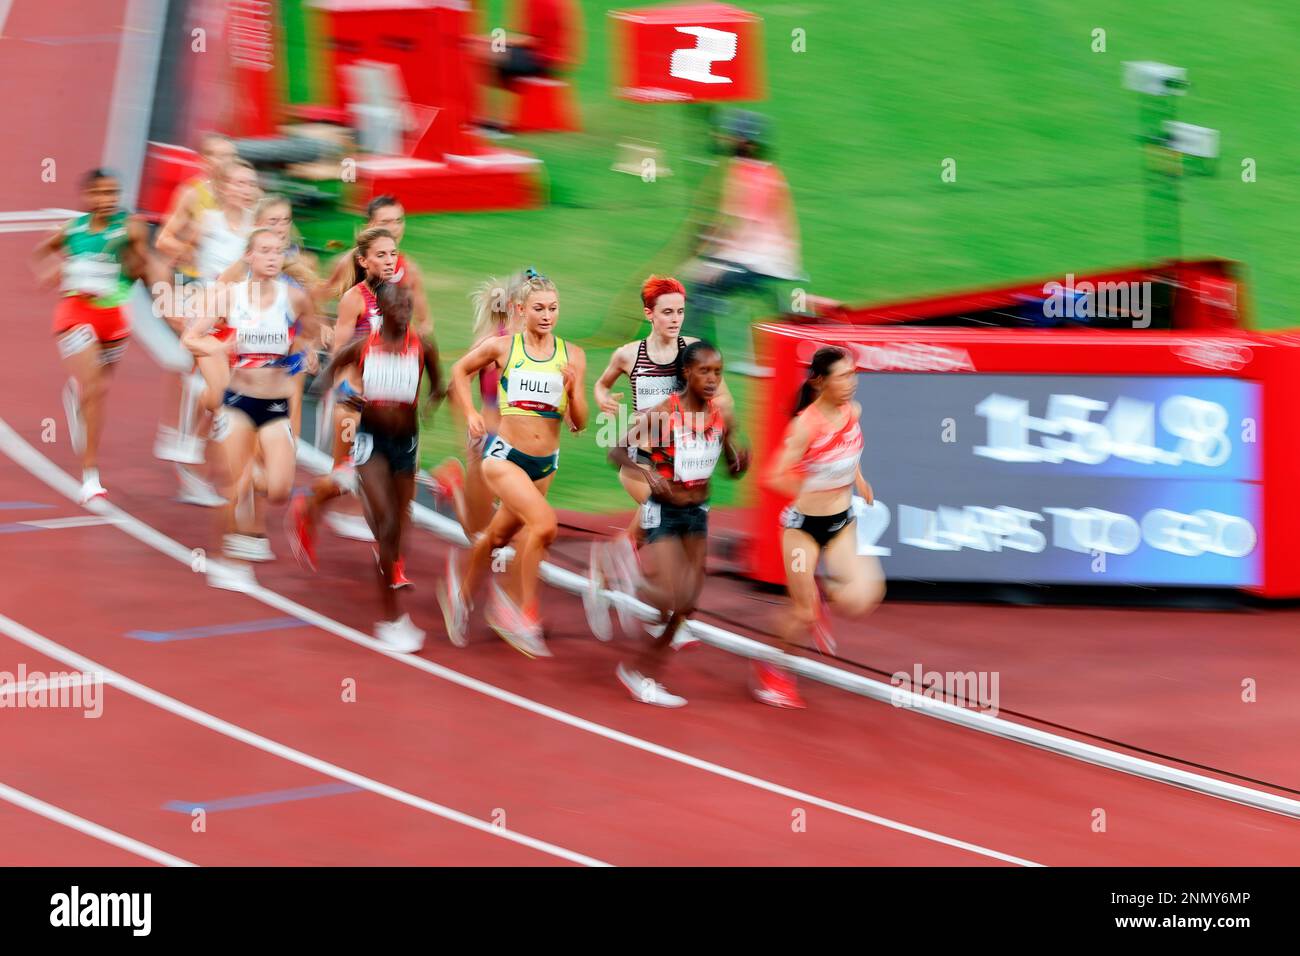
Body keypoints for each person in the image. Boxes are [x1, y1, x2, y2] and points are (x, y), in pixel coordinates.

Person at [440, 268, 588, 657]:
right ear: (521, 310)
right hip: (504, 457)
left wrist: (573, 393)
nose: (547, 315)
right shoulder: (503, 348)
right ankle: (521, 615)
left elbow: (579, 422)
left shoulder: (573, 355)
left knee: (498, 537)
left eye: (553, 308)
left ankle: (462, 594)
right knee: (543, 525)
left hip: (545, 464)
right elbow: (459, 370)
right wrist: (471, 412)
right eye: (539, 308)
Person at [604, 341, 748, 706]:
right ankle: (640, 674)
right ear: (686, 373)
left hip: (698, 514)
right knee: (672, 598)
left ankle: (633, 581)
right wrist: (646, 471)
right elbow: (617, 451)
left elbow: (731, 459)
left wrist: (739, 462)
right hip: (664, 512)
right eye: (704, 371)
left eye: (718, 372)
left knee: (687, 606)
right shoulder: (663, 413)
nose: (713, 379)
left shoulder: (722, 416)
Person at [588, 275, 730, 638]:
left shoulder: (693, 350)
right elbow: (602, 383)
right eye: (667, 312)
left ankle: (609, 569)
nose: (675, 319)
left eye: (680, 312)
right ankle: (661, 609)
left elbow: (721, 396)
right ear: (649, 314)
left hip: (680, 466)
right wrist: (603, 397)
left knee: (649, 534)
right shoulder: (629, 354)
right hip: (641, 463)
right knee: (666, 530)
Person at [181, 228, 318, 591]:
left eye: (278, 251)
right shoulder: (230, 296)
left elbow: (310, 336)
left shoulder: (294, 298)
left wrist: (304, 355)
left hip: (275, 405)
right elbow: (191, 337)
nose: (272, 257)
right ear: (249, 256)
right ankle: (228, 558)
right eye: (265, 251)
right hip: (238, 402)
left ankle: (252, 476)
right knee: (232, 484)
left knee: (278, 489)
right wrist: (219, 349)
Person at [314, 283, 443, 650]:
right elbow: (326, 376)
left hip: (406, 444)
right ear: (381, 309)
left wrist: (432, 402)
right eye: (397, 305)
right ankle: (391, 619)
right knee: (386, 526)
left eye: (408, 303)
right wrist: (344, 395)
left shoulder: (423, 347)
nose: (405, 309)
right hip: (371, 442)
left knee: (401, 524)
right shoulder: (363, 346)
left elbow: (438, 384)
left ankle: (390, 571)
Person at [760, 346, 884, 708]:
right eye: (843, 376)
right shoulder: (805, 426)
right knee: (802, 612)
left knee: (864, 596)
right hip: (803, 529)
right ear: (819, 381)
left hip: (841, 523)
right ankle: (773, 669)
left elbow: (849, 452)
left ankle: (820, 591)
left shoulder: (853, 411)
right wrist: (810, 487)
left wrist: (857, 479)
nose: (852, 382)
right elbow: (773, 476)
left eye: (853, 374)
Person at [30, 169, 157, 503]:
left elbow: (140, 271)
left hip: (113, 318)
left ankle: (76, 394)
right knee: (97, 389)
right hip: (75, 314)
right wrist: (51, 272)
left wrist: (134, 248)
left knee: (98, 385)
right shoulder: (73, 230)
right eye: (99, 194)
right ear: (86, 198)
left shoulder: (130, 227)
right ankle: (90, 476)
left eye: (112, 193)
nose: (106, 200)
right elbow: (41, 251)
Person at [289, 227, 409, 575]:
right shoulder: (354, 300)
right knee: (347, 479)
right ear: (363, 260)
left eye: (393, 254)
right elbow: (338, 354)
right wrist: (347, 390)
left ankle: (393, 562)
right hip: (352, 405)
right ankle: (308, 505)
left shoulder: (400, 296)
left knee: (395, 485)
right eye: (381, 255)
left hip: (389, 406)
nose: (389, 261)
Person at [156, 157, 262, 505]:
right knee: (214, 391)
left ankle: (189, 447)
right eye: (238, 183)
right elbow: (168, 254)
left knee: (222, 394)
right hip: (207, 316)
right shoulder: (208, 223)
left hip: (242, 319)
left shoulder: (256, 228)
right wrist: (175, 300)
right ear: (222, 188)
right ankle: (191, 457)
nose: (245, 189)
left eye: (250, 183)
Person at [683, 110, 803, 375]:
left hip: (754, 260)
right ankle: (788, 339)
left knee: (699, 287)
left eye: (735, 137)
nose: (730, 141)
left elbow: (741, 227)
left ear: (747, 143)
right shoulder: (772, 173)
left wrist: (710, 258)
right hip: (777, 261)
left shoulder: (744, 175)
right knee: (743, 289)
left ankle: (689, 354)